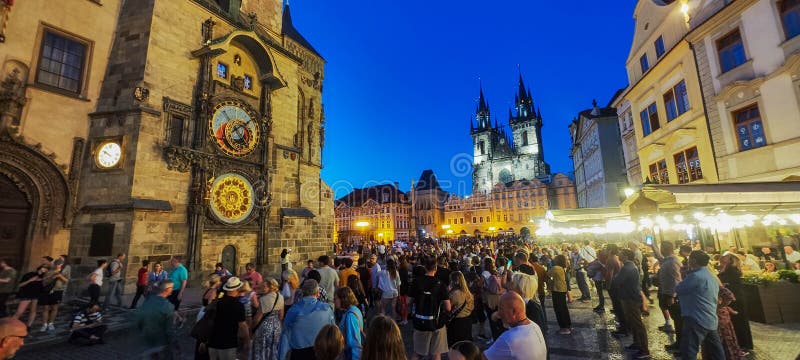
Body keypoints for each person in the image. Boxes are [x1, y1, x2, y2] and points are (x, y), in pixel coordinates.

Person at [675, 250, 725, 360]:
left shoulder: (695, 277)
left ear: (693, 261)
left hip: (695, 317)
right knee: (716, 350)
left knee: (689, 350)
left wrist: (680, 277)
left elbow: (679, 289)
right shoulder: (711, 276)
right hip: (710, 317)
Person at [280, 279, 335, 360]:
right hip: (322, 352)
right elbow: (333, 332)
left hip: (299, 354)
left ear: (302, 293)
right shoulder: (327, 309)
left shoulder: (293, 311)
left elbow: (285, 338)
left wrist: (281, 357)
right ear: (317, 293)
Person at [409, 256, 451, 360]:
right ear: (436, 268)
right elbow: (448, 307)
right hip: (437, 322)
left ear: (424, 267)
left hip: (420, 320)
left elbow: (409, 301)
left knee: (417, 353)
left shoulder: (416, 282)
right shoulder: (441, 284)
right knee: (436, 353)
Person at [483, 292, 546, 360]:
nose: (499, 313)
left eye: (501, 309)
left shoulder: (509, 339)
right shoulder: (534, 325)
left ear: (513, 312)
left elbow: (483, 358)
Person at [611, 249, 650, 359]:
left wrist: (615, 278)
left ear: (626, 256)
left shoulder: (627, 268)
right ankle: (637, 343)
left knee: (637, 323)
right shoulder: (628, 266)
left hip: (630, 299)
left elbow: (616, 281)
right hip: (628, 297)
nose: (618, 255)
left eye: (621, 254)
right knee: (632, 322)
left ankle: (644, 349)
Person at [717, 254, 753, 353]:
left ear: (731, 260)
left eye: (725, 258)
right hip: (735, 298)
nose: (722, 259)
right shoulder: (728, 269)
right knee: (738, 322)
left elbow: (726, 283)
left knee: (738, 322)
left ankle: (742, 345)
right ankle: (742, 344)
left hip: (735, 299)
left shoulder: (732, 270)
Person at [208, 277, 250, 360]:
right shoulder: (238, 305)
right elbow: (243, 325)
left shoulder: (217, 302)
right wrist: (247, 340)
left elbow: (208, 320)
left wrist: (203, 341)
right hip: (228, 343)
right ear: (238, 288)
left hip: (212, 342)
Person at [135, 280, 178, 359]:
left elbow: (140, 319)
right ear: (167, 289)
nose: (173, 289)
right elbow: (169, 330)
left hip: (146, 338)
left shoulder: (148, 300)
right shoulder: (168, 306)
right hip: (160, 342)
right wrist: (174, 343)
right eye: (172, 287)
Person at [252, 278, 284, 360]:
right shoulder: (281, 297)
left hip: (264, 327)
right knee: (273, 349)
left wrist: (251, 328)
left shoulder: (264, 299)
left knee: (261, 349)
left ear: (271, 287)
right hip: (277, 326)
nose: (262, 288)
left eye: (264, 287)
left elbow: (257, 318)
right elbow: (281, 315)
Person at [40, 259, 70, 332]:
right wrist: (52, 277)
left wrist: (60, 276)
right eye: (57, 264)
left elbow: (67, 281)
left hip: (57, 290)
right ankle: (44, 324)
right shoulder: (49, 271)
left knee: (54, 308)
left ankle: (51, 323)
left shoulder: (64, 272)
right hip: (47, 291)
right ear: (55, 264)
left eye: (60, 264)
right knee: (46, 308)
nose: (58, 265)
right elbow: (44, 282)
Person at [335, 287, 363, 360]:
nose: (334, 301)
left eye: (336, 298)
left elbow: (354, 344)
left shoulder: (350, 316)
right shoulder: (355, 309)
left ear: (343, 299)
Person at [447, 271, 474, 346]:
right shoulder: (469, 293)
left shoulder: (454, 294)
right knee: (465, 345)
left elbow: (447, 308)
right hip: (467, 320)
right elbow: (472, 307)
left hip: (456, 323)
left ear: (453, 281)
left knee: (455, 345)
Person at [548, 254, 572, 335]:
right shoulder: (562, 267)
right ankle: (567, 325)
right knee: (563, 308)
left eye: (556, 258)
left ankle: (564, 328)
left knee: (559, 309)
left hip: (557, 290)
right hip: (562, 289)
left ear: (558, 260)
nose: (554, 259)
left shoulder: (556, 268)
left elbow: (548, 274)